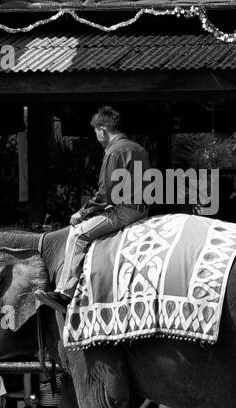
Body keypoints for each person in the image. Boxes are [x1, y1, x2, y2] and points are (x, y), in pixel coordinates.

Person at [36, 106, 151, 312]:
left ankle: (64, 293)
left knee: (77, 234)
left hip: (124, 211)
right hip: (142, 209)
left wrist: (82, 213)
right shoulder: (139, 149)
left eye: (96, 131)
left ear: (102, 129)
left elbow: (105, 194)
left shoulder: (114, 152)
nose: (97, 137)